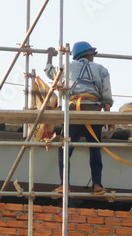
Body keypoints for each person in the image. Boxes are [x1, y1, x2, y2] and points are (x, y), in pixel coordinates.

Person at [45, 41, 113, 195]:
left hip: (73, 111)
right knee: (95, 148)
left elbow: (51, 73)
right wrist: (107, 116)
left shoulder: (67, 67)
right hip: (93, 111)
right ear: (88, 55)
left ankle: (65, 185)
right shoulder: (101, 69)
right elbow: (106, 94)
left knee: (65, 149)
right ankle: (97, 185)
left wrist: (49, 57)